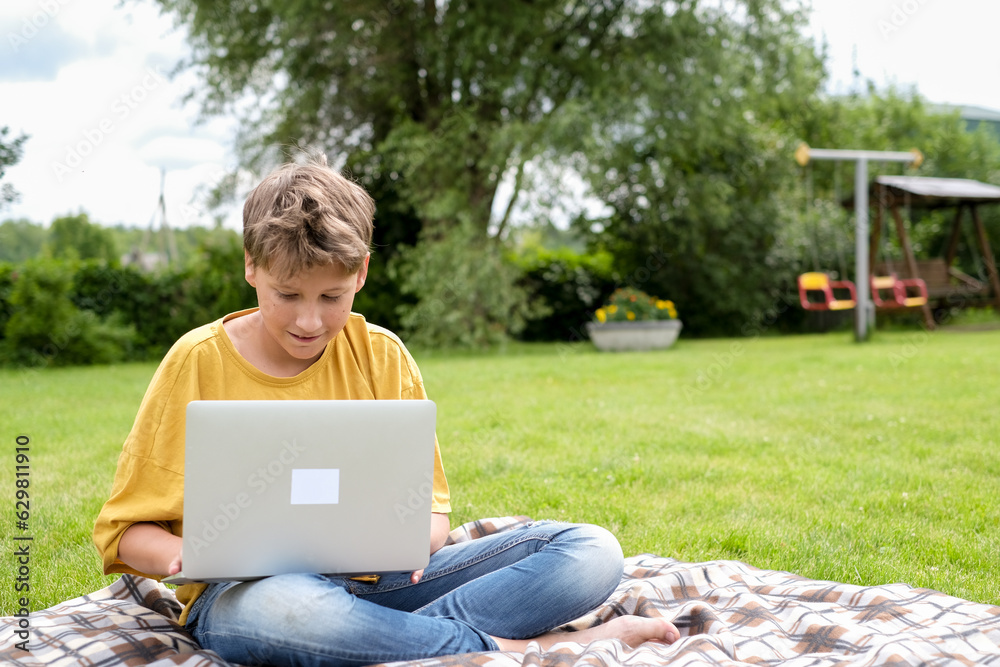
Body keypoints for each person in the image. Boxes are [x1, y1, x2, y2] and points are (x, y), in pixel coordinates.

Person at [92, 160, 679, 667]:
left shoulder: (382, 355)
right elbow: (125, 534)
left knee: (590, 552)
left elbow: (431, 519)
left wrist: (409, 541)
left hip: (384, 586)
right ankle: (522, 650)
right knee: (290, 611)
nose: (309, 321)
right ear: (251, 267)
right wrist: (179, 554)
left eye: (332, 298)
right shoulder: (196, 360)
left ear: (361, 273)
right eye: (287, 295)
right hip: (250, 595)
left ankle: (387, 641)